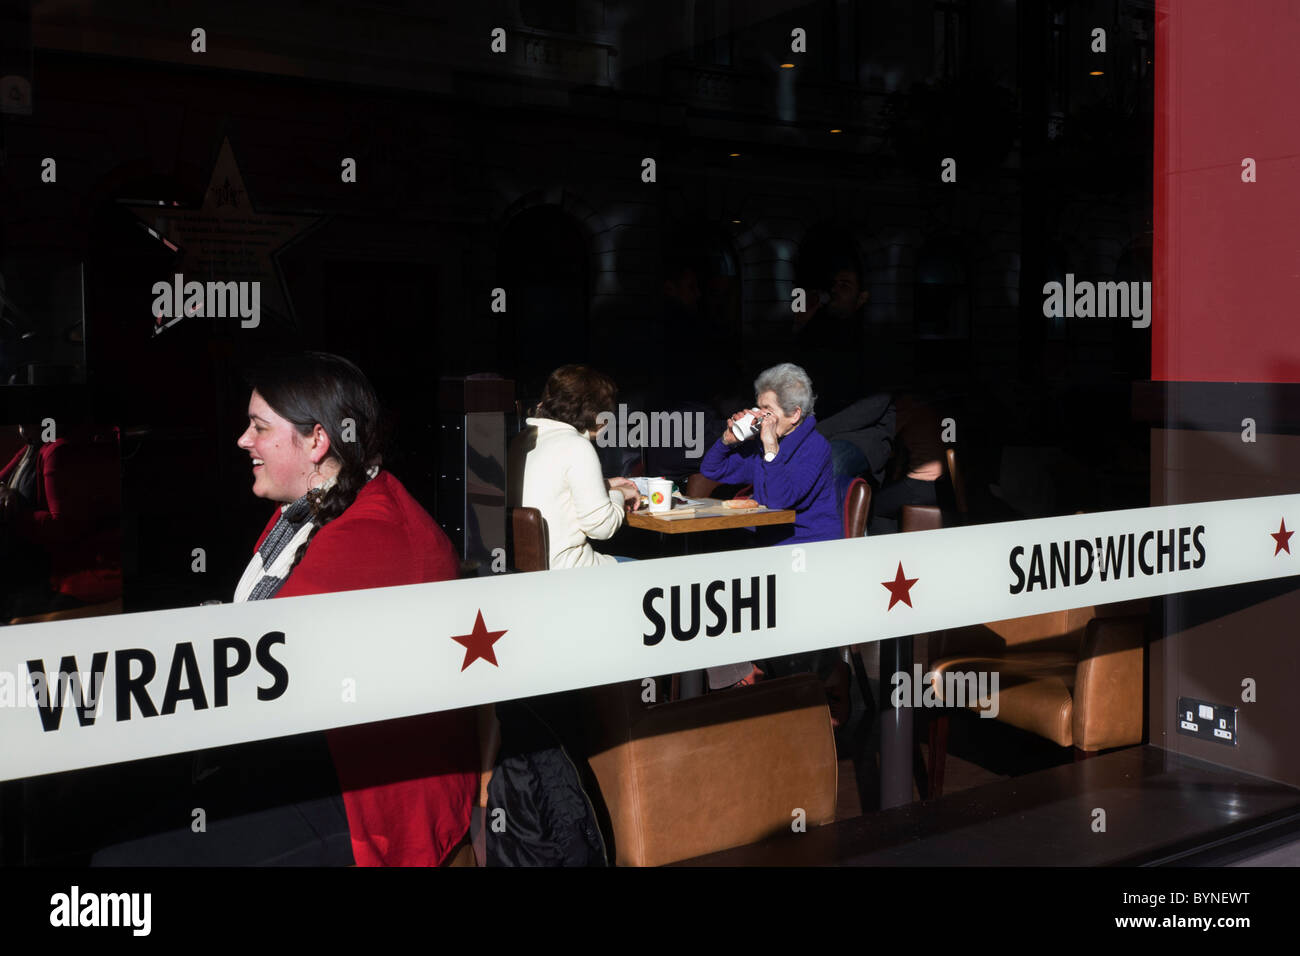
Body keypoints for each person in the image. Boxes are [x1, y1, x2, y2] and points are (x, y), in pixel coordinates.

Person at [94, 352, 478, 867]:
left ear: (317, 441)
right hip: (315, 762)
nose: (243, 440)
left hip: (372, 805)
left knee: (123, 860)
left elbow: (251, 668)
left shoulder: (369, 534)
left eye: (258, 427)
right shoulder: (314, 511)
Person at [699, 363, 842, 690]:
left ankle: (746, 681)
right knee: (707, 585)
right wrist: (728, 438)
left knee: (725, 590)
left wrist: (769, 449)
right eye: (758, 407)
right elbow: (712, 469)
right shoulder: (767, 438)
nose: (759, 416)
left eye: (767, 409)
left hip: (806, 552)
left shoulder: (814, 447)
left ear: (794, 414)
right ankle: (737, 678)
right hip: (769, 547)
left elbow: (779, 499)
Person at [507, 364, 640, 569]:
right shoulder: (576, 446)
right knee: (652, 573)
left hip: (529, 570)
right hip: (572, 573)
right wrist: (621, 494)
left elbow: (552, 490)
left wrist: (605, 485)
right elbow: (601, 528)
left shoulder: (523, 440)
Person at [792, 263, 870, 419]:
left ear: (861, 298)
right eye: (834, 285)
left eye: (844, 286)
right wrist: (799, 323)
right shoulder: (816, 325)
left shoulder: (864, 342)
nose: (834, 290)